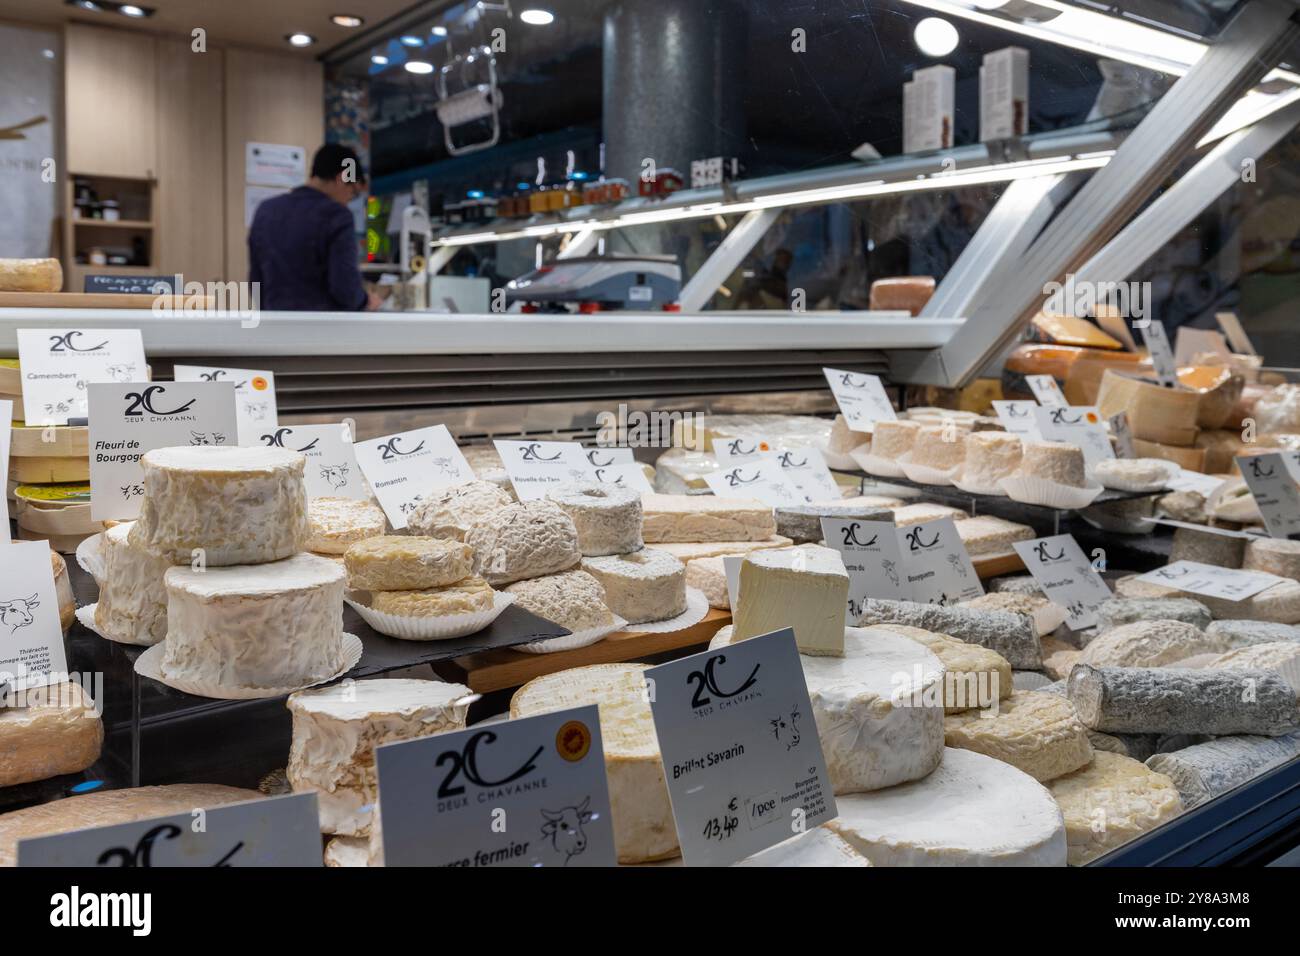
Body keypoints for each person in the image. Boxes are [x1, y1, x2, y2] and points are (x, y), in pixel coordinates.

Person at [248, 143, 381, 311]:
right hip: (322, 329)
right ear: (342, 178)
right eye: (353, 191)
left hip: (274, 326)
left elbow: (256, 281)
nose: (349, 199)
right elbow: (344, 287)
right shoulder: (337, 215)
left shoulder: (266, 210)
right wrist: (365, 300)